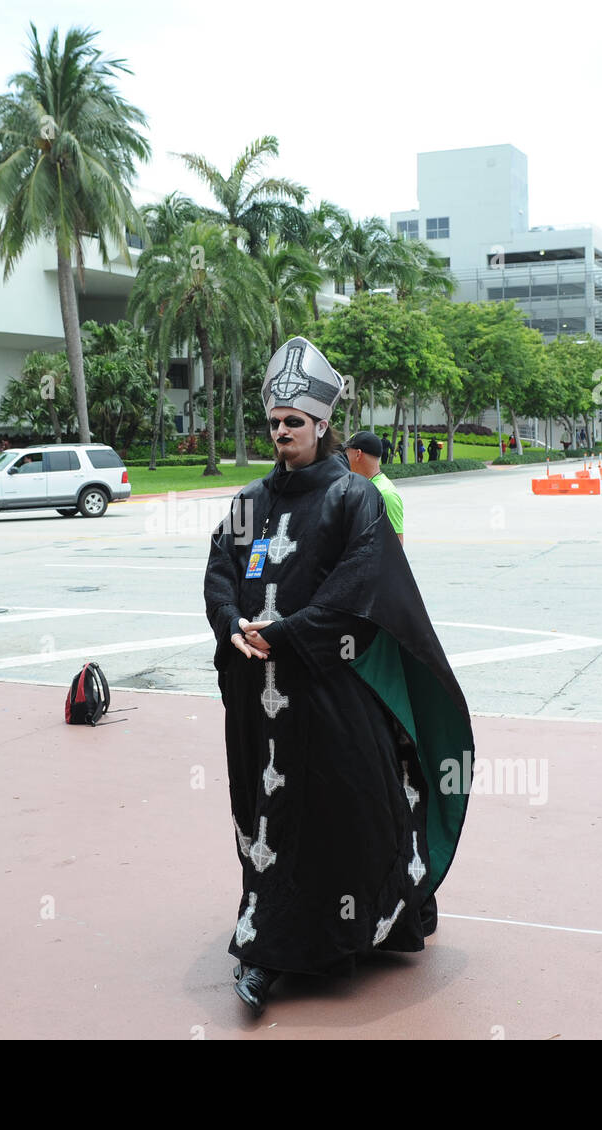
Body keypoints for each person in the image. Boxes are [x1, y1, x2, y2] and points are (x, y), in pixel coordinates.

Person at [204, 336, 474, 1018]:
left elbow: (363, 583)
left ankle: (381, 916)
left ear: (321, 425)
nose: (282, 432)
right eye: (274, 422)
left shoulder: (355, 498)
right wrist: (233, 623)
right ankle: (268, 946)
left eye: (294, 422)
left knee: (353, 808)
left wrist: (292, 633)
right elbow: (218, 572)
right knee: (267, 819)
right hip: (257, 701)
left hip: (330, 690)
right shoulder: (247, 503)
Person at [344, 430, 403, 545]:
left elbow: (396, 544)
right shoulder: (362, 485)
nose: (344, 457)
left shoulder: (385, 493)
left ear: (358, 454)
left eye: (346, 452)